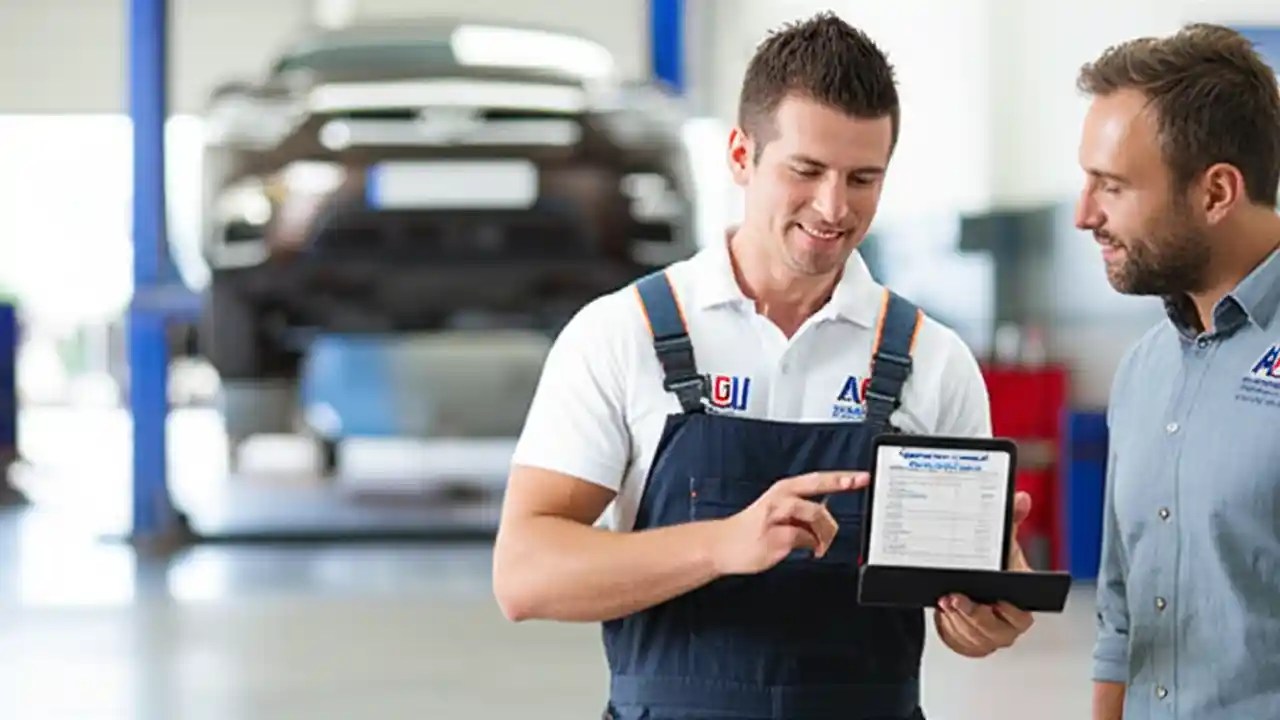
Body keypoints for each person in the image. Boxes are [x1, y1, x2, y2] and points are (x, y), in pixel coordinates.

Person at [494, 13, 1035, 720]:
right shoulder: (620, 335)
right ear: (741, 156)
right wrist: (721, 544)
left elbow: (964, 607)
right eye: (806, 171)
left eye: (863, 178)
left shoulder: (934, 360)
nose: (834, 207)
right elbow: (525, 575)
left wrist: (988, 613)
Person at [1074, 23, 1280, 720]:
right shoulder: (1144, 370)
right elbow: (1120, 616)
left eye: (1112, 187)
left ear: (1217, 191)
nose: (1084, 215)